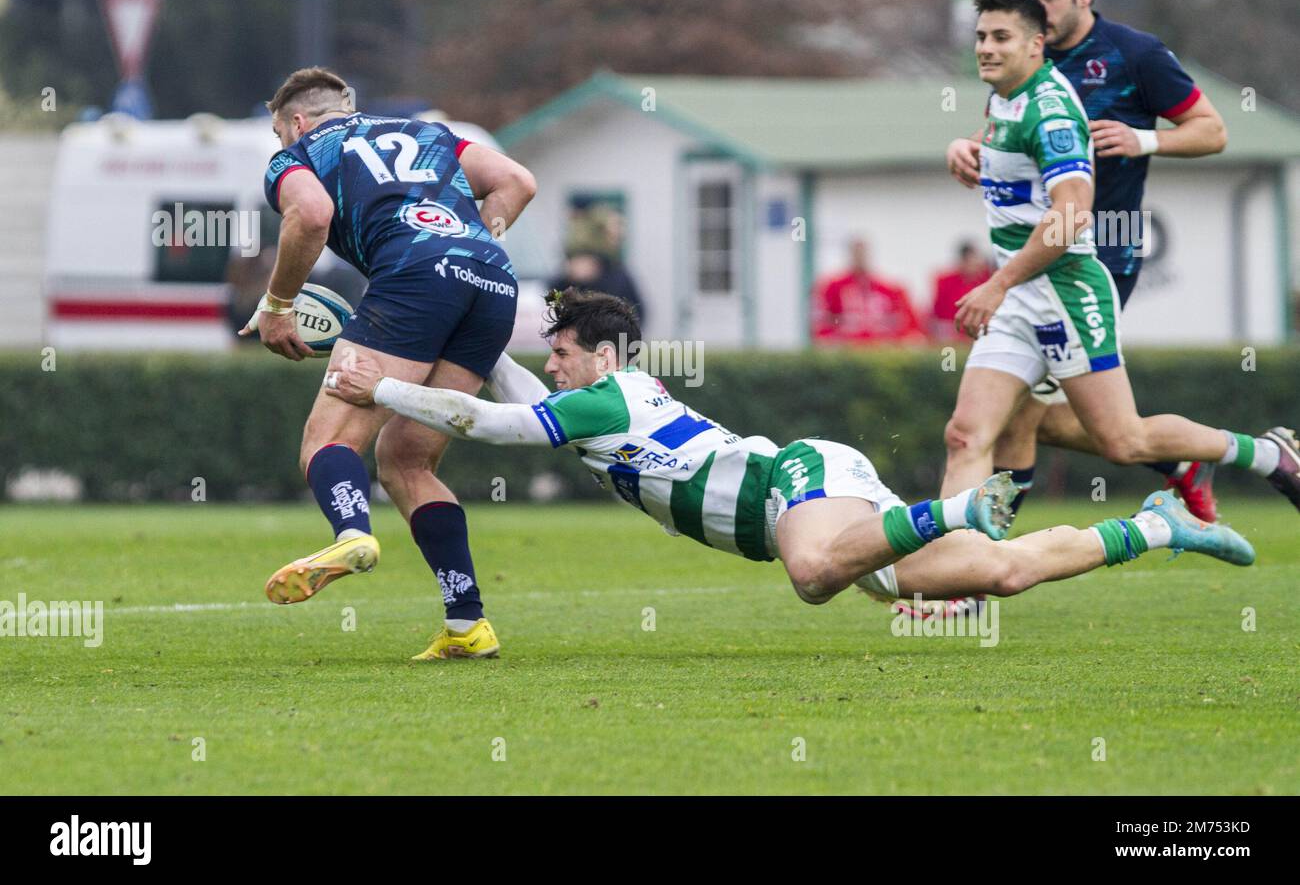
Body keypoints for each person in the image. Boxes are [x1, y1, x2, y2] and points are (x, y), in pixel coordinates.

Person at [320, 288, 1256, 617]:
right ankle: (1157, 524)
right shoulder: (596, 395)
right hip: (810, 491)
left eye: (558, 347)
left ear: (601, 355)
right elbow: (504, 385)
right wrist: (466, 330)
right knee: (997, 577)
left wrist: (382, 390)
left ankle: (957, 506)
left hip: (795, 485)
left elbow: (493, 423)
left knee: (813, 578)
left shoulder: (601, 397)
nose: (547, 359)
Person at [939, 0, 1300, 523]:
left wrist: (996, 284)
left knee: (1124, 441)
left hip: (1066, 290)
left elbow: (1071, 216)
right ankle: (960, 578)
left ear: (1036, 45)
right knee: (967, 434)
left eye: (1000, 38)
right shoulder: (1002, 98)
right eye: (980, 37)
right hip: (1019, 296)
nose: (985, 49)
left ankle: (1267, 454)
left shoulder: (1053, 112)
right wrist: (962, 145)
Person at [242, 67, 537, 660]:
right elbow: (517, 181)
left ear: (295, 122)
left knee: (329, 440)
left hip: (412, 280)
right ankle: (467, 626)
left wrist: (277, 306)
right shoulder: (424, 131)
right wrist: (469, 242)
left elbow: (312, 215)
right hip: (490, 280)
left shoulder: (298, 152)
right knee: (406, 459)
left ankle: (352, 534)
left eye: (280, 134)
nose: (282, 145)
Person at [813, 238, 927, 345]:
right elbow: (822, 324)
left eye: (863, 254)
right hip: (847, 351)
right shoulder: (833, 288)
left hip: (881, 351)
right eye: (856, 254)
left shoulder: (890, 289)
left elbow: (909, 324)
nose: (860, 258)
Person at [930, 241, 992, 342]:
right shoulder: (946, 281)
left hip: (979, 332)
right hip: (952, 333)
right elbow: (939, 312)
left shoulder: (986, 280)